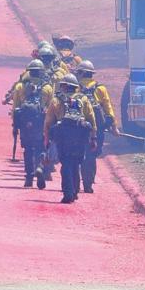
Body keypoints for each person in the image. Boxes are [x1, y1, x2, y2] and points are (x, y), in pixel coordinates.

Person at [44, 73, 96, 204]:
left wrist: (47, 138)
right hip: (80, 136)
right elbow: (91, 119)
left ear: (64, 86)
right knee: (76, 163)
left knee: (66, 163)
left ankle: (68, 193)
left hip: (63, 137)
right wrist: (93, 137)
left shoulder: (56, 100)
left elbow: (48, 122)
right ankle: (75, 190)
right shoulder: (83, 99)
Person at [77, 59, 119, 194]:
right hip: (97, 130)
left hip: (78, 128)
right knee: (91, 155)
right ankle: (88, 183)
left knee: (77, 155)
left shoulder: (75, 87)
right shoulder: (101, 89)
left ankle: (76, 183)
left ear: (81, 73)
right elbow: (108, 109)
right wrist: (114, 127)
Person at [11, 59, 54, 188]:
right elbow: (51, 108)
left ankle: (29, 178)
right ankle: (40, 167)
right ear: (41, 72)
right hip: (41, 123)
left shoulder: (20, 87)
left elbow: (15, 108)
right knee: (41, 148)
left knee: (28, 150)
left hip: (25, 125)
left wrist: (15, 126)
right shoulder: (47, 87)